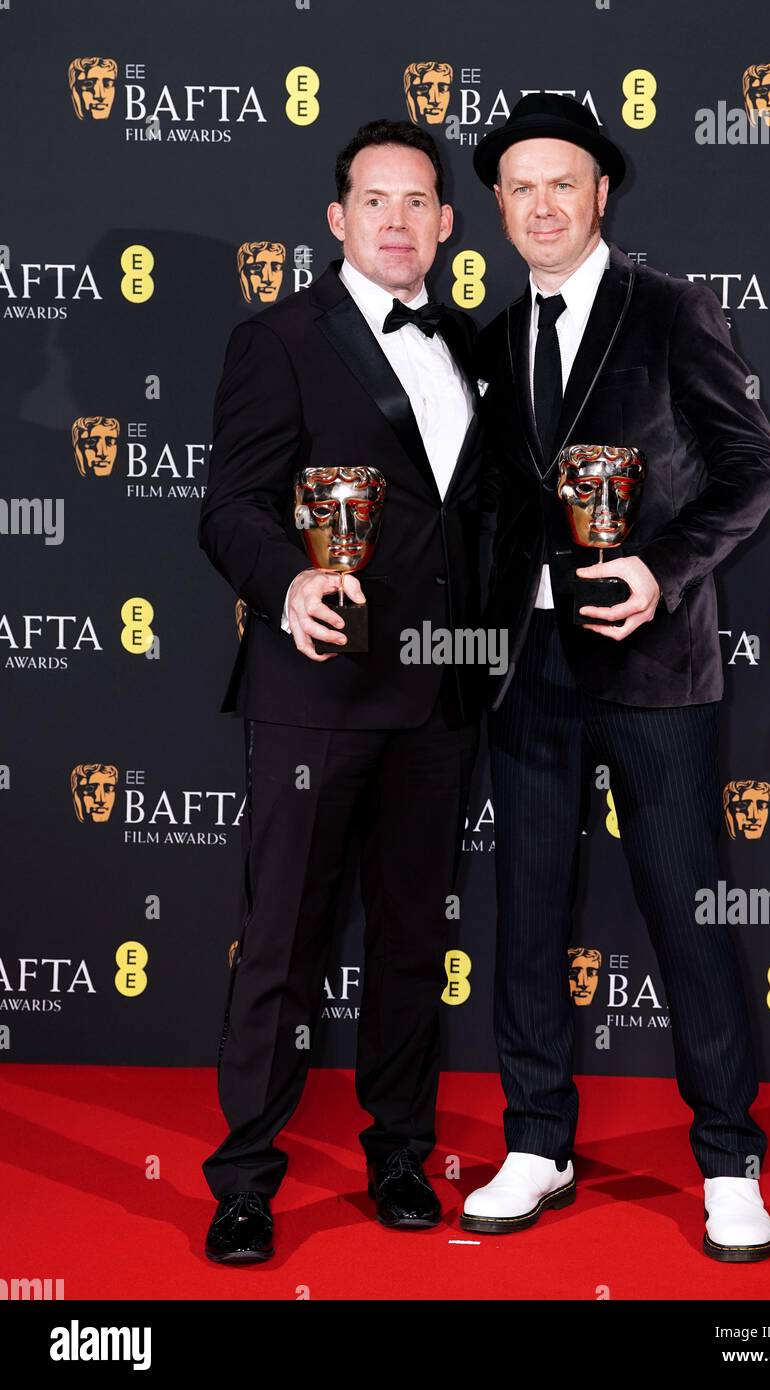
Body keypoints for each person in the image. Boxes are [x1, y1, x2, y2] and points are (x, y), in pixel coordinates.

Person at [462, 93, 770, 1262]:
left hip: (655, 665)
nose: (542, 204)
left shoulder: (667, 311)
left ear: (601, 194)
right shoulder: (495, 339)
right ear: (497, 209)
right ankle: (536, 1137)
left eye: (564, 182)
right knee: (529, 912)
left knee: (686, 911)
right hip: (534, 673)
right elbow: (494, 513)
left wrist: (663, 568)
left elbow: (752, 467)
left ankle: (726, 1156)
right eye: (519, 188)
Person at [198, 118, 483, 1262]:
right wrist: (289, 582)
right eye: (376, 201)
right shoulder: (276, 337)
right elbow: (227, 505)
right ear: (337, 218)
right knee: (283, 942)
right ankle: (244, 1181)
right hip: (318, 686)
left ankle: (400, 1154)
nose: (398, 221)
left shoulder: (468, 339)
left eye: (418, 202)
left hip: (443, 699)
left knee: (414, 940)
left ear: (448, 225)